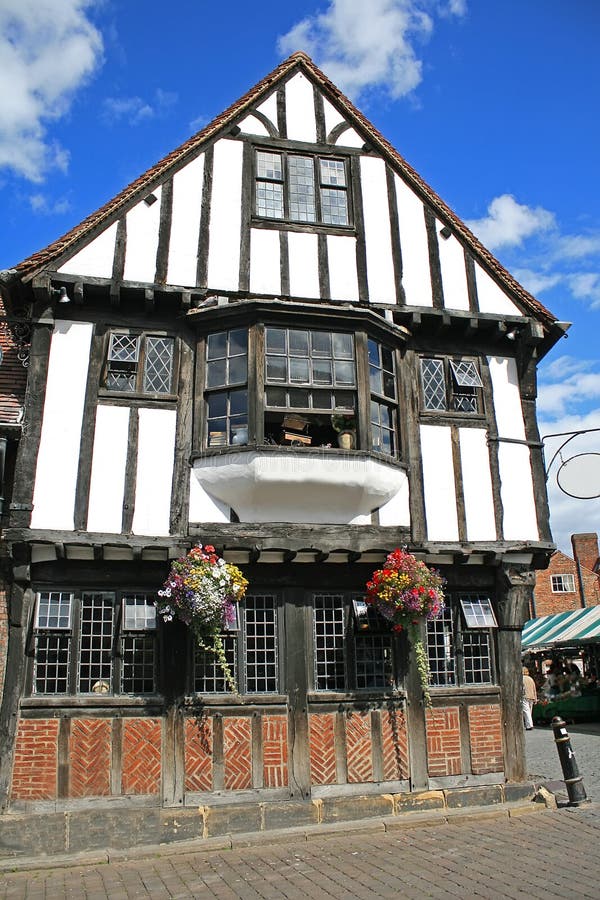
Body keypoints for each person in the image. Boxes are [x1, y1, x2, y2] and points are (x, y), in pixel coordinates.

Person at [522, 666, 537, 730]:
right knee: (529, 711)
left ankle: (529, 725)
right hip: (531, 696)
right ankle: (529, 724)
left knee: (526, 711)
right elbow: (534, 689)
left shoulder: (521, 679)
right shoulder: (531, 679)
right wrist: (535, 698)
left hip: (525, 696)